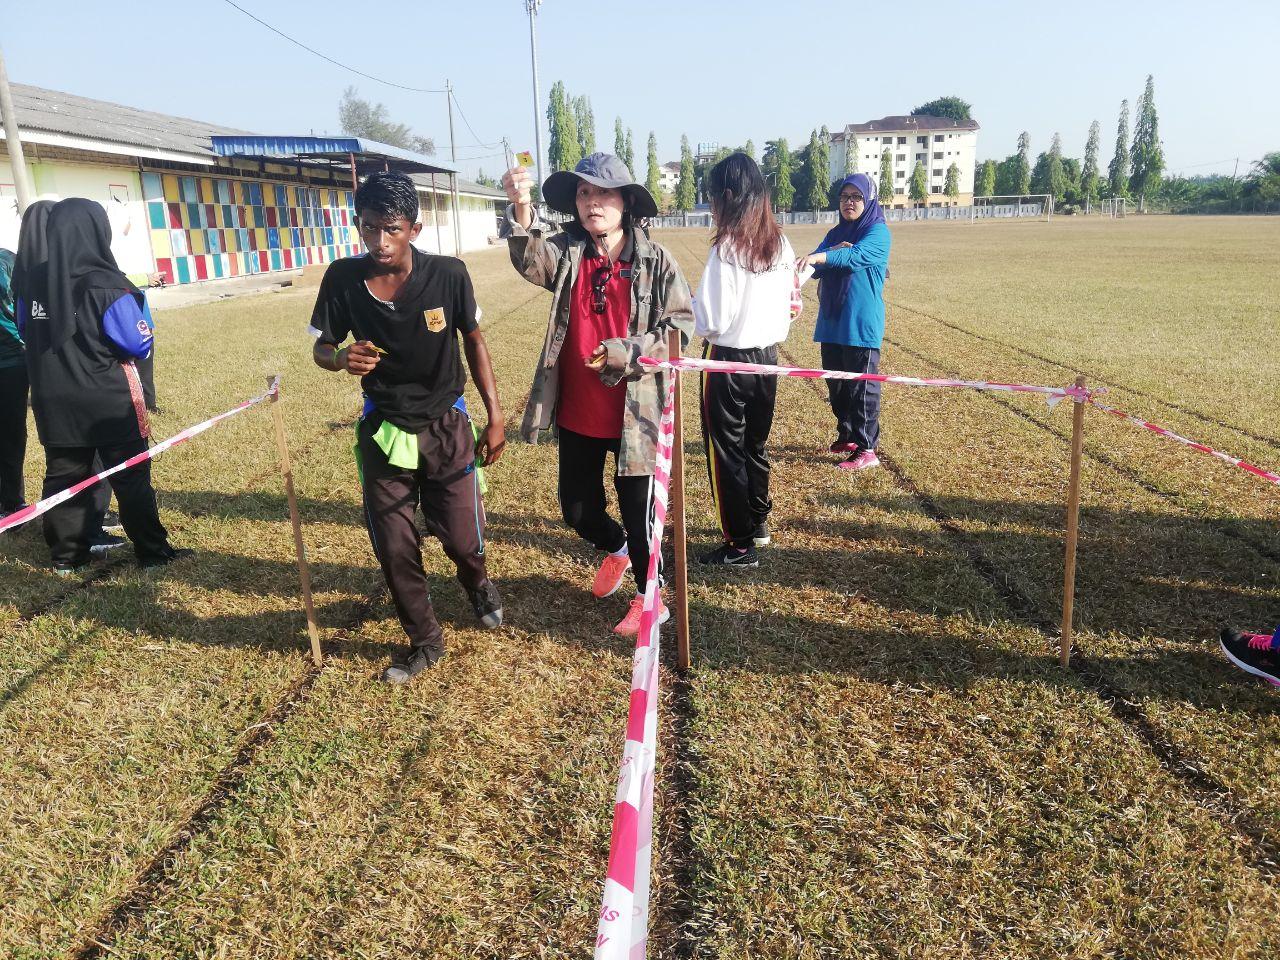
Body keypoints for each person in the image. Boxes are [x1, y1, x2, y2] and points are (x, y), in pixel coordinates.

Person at [309, 171, 506, 685]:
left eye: (391, 229)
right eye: (368, 227)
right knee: (394, 546)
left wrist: (495, 415)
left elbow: (474, 340)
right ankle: (425, 640)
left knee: (462, 539)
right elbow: (321, 347)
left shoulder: (449, 274)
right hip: (384, 429)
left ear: (414, 229)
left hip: (447, 425)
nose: (378, 241)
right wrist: (339, 358)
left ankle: (477, 583)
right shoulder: (342, 279)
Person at [501, 152, 693, 635]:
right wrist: (521, 207)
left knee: (639, 513)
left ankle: (652, 598)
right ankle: (617, 549)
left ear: (626, 202)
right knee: (577, 509)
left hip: (636, 413)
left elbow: (680, 328)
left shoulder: (656, 260)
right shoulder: (568, 252)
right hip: (579, 409)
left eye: (604, 193)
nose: (592, 202)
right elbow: (532, 263)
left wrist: (625, 352)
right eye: (584, 193)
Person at [20, 198, 185, 573]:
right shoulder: (108, 284)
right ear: (97, 232)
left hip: (53, 400)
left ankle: (66, 557)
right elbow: (137, 343)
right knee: (131, 476)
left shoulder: (33, 283)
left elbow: (28, 331)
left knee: (64, 478)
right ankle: (152, 552)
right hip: (108, 400)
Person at [693, 152, 801, 567]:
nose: (711, 205)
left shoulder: (727, 248)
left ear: (728, 195)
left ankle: (739, 545)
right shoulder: (781, 243)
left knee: (727, 453)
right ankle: (757, 523)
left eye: (712, 196)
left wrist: (691, 304)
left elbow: (713, 320)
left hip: (727, 362)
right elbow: (791, 304)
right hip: (767, 361)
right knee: (754, 445)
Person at [796, 173, 891, 471]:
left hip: (860, 324)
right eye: (844, 197)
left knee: (862, 388)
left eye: (856, 197)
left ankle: (867, 448)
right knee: (837, 386)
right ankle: (848, 435)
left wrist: (824, 256)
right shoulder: (835, 233)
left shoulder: (878, 232)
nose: (849, 202)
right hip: (832, 322)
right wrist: (825, 255)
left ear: (869, 199)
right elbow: (817, 266)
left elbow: (854, 257)